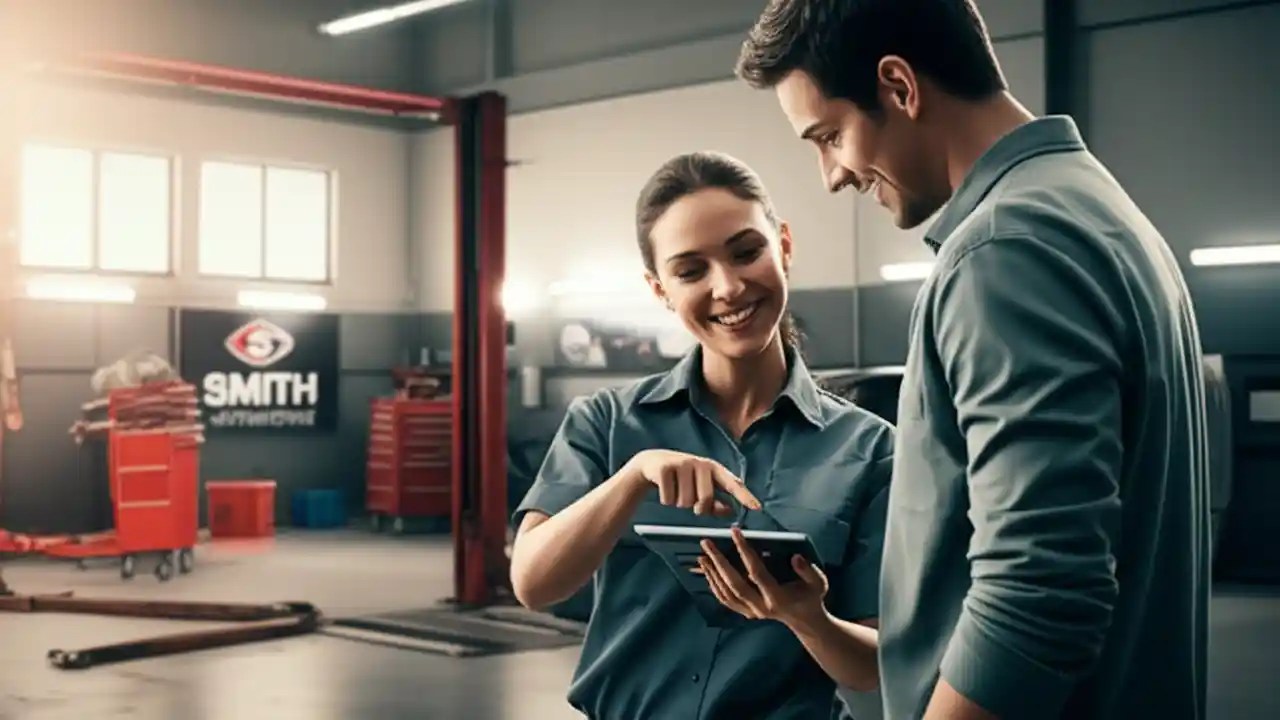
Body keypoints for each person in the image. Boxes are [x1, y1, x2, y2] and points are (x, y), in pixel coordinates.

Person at [735, 1, 1210, 719]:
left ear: (898, 86)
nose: (832, 174)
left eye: (830, 136)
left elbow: (1036, 594)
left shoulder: (1005, 249)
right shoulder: (1092, 206)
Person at [510, 151, 895, 720]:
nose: (729, 288)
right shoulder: (607, 422)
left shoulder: (870, 452)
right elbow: (534, 583)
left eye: (747, 253)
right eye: (691, 271)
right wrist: (632, 479)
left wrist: (806, 619)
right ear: (660, 289)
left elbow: (874, 663)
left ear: (783, 246)